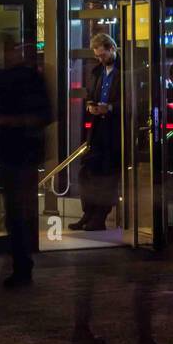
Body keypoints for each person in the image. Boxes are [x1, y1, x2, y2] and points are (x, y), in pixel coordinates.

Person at [0, 33, 53, 287]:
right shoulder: (29, 78)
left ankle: (22, 264)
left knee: (16, 211)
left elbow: (44, 114)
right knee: (18, 211)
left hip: (17, 154)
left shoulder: (17, 79)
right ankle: (22, 262)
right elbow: (46, 114)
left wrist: (9, 122)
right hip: (22, 153)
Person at [71, 32, 120, 232]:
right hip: (98, 127)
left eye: (103, 55)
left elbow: (132, 101)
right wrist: (91, 105)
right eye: (97, 56)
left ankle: (99, 216)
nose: (100, 59)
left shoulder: (123, 72)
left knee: (107, 175)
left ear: (112, 49)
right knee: (87, 171)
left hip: (115, 130)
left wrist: (109, 108)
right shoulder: (97, 72)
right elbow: (91, 94)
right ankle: (89, 213)